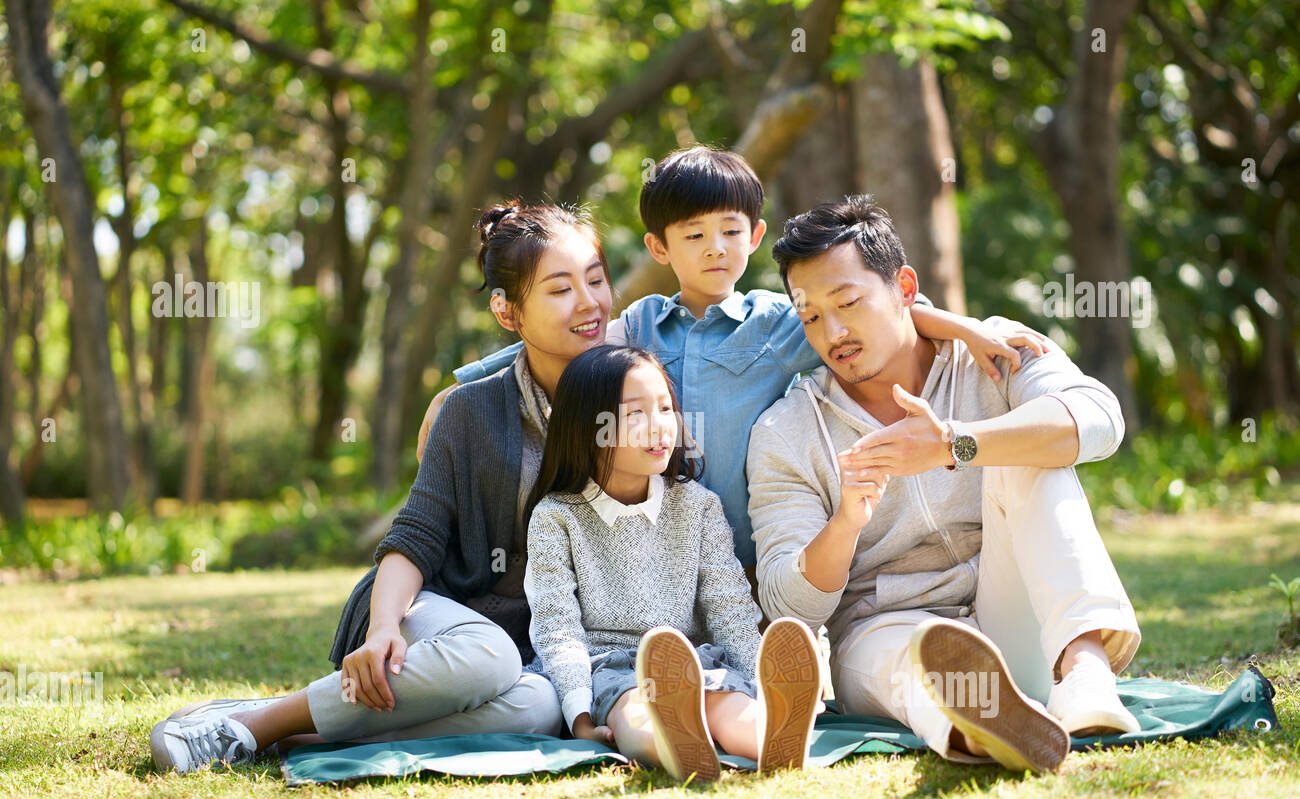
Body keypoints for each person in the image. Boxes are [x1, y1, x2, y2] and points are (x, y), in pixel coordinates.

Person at [420, 146, 1052, 614]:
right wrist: (462, 387)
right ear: (660, 248)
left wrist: (964, 329)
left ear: (754, 236)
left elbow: (882, 311)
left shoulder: (783, 323)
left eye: (729, 232)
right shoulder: (639, 325)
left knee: (749, 637)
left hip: (751, 551)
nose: (715, 249)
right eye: (694, 235)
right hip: (664, 545)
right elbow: (557, 347)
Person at [150, 200, 613, 772]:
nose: (590, 302)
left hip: (529, 649)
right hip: (431, 612)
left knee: (541, 706)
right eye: (561, 289)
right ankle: (257, 723)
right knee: (488, 657)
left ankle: (316, 735)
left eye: (596, 279)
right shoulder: (469, 409)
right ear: (507, 311)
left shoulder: (626, 404)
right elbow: (414, 537)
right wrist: (385, 625)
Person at [747, 195, 1143, 775]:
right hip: (884, 635)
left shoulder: (992, 354)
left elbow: (1099, 419)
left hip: (1019, 619)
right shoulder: (787, 431)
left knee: (1027, 444)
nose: (832, 333)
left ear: (906, 288)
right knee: (912, 664)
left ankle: (1085, 677)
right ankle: (980, 725)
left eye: (849, 302)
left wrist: (955, 443)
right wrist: (845, 523)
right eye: (809, 317)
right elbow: (788, 603)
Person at [523, 344, 822, 782]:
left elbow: (731, 611)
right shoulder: (556, 517)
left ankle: (774, 737)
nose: (659, 426)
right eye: (636, 413)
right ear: (590, 427)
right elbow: (558, 628)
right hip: (607, 666)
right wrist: (580, 714)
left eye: (665, 408)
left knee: (724, 697)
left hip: (691, 661)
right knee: (631, 708)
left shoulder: (698, 507)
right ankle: (674, 745)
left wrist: (758, 682)